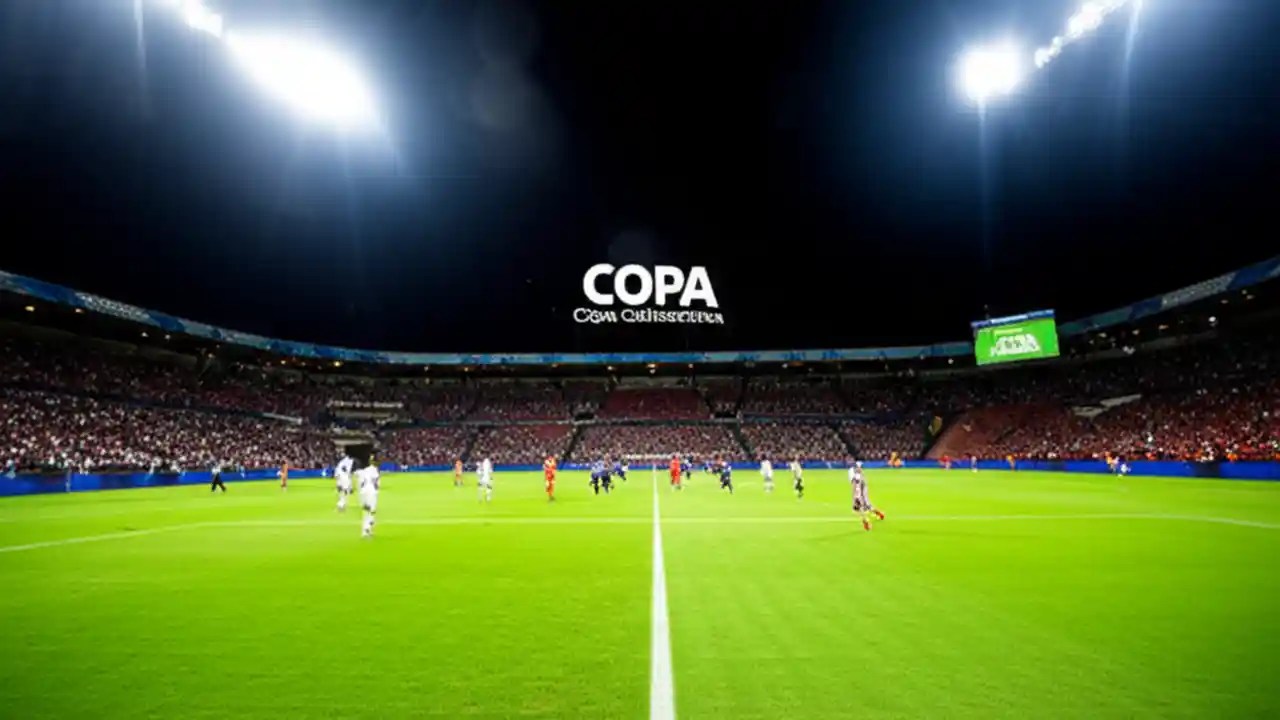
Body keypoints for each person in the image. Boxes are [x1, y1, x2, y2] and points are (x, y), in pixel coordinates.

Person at [850, 461, 885, 532]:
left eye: (861, 468)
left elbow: (857, 487)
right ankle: (867, 520)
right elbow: (854, 486)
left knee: (865, 506)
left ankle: (869, 520)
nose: (861, 469)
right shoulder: (854, 474)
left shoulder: (857, 475)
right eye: (860, 468)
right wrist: (855, 498)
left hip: (862, 491)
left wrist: (856, 498)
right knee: (859, 507)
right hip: (860, 489)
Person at [357, 462, 380, 538]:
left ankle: (365, 531)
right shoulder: (374, 470)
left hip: (363, 492)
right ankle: (368, 528)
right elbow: (376, 483)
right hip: (371, 492)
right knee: (371, 511)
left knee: (366, 511)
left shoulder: (361, 471)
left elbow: (360, 483)